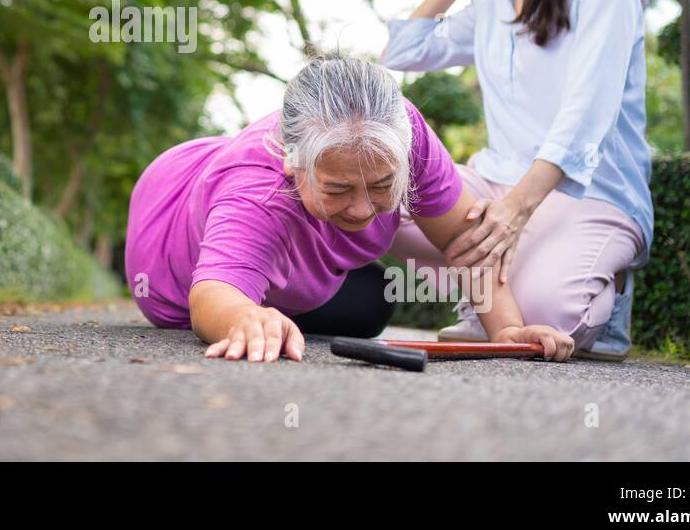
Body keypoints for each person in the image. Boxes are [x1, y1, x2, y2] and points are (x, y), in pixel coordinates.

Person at [381, 0, 653, 361]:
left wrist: (515, 210)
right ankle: (487, 301)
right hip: (493, 181)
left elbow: (585, 115)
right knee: (377, 199)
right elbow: (403, 51)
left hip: (588, 193)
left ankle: (609, 295)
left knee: (547, 321)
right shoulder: (496, 2)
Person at [123, 48, 575, 363]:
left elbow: (466, 238)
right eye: (338, 190)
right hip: (170, 243)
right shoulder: (254, 190)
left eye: (381, 186)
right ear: (291, 163)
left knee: (371, 304)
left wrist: (508, 332)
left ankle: (287, 282)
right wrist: (243, 317)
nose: (362, 211)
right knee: (258, 315)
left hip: (277, 236)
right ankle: (265, 296)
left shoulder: (402, 130)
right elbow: (212, 296)